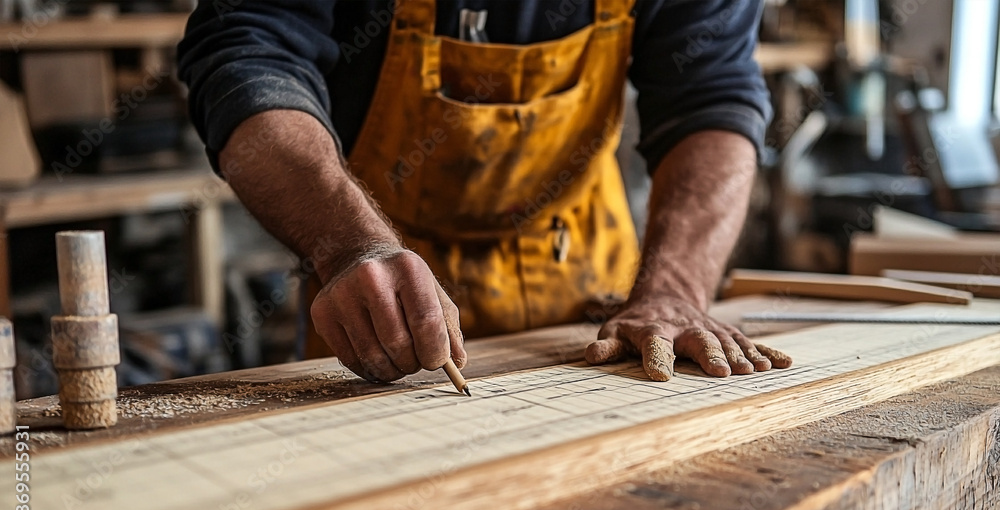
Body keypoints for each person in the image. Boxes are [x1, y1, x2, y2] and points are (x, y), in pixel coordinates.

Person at [178, 0, 792, 383]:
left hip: (596, 325)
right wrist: (347, 244)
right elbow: (248, 58)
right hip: (379, 293)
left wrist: (674, 290)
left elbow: (711, 97)